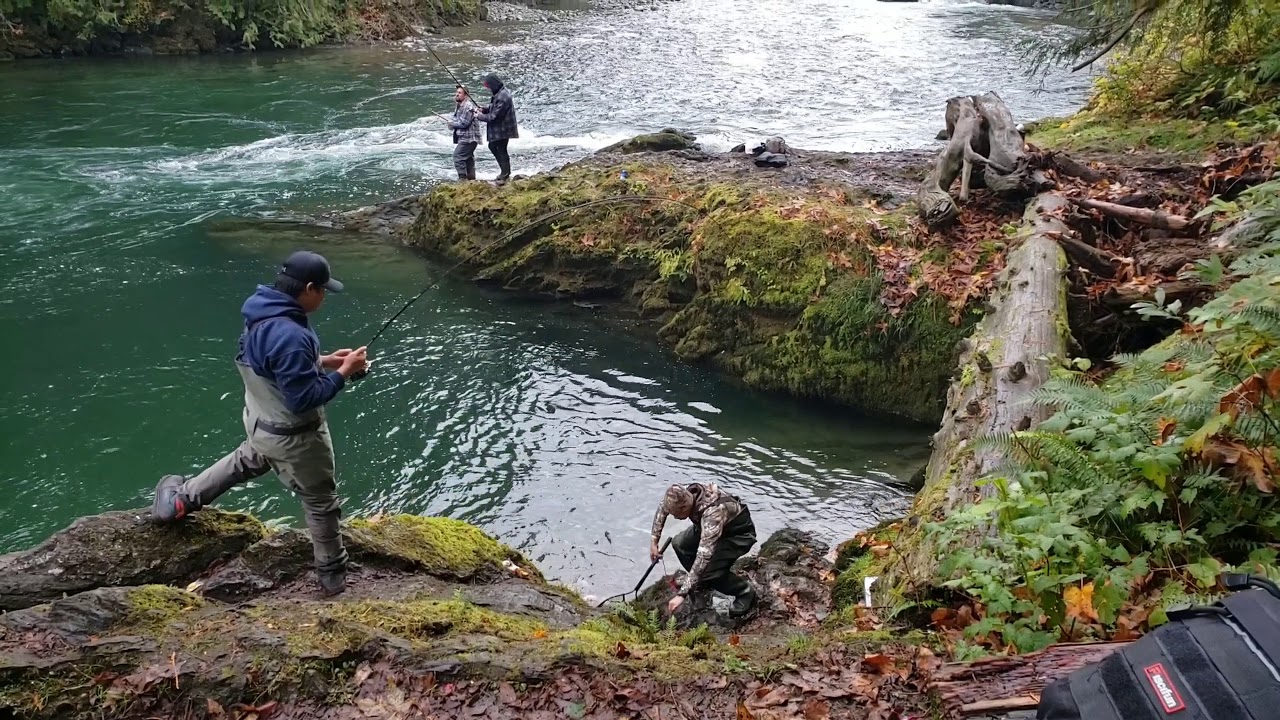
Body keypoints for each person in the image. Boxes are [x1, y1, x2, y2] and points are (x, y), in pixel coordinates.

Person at [149, 251, 369, 597]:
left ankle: (179, 501)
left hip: (262, 424)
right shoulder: (293, 336)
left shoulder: (260, 312)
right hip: (296, 441)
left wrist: (324, 361)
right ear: (308, 288)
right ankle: (333, 578)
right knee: (321, 503)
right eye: (323, 290)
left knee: (246, 460)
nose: (325, 297)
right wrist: (344, 372)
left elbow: (272, 364)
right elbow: (304, 399)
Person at [650, 482, 758, 618]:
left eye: (676, 515)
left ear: (685, 508)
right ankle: (700, 582)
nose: (675, 517)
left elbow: (703, 557)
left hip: (737, 534)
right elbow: (663, 508)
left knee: (708, 570)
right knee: (679, 544)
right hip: (709, 528)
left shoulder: (712, 513)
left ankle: (744, 592)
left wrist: (682, 594)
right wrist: (654, 541)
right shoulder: (682, 493)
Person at [473, 73, 519, 185]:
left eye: (489, 87)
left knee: (500, 149)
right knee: (495, 147)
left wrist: (478, 116)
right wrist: (484, 109)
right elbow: (494, 108)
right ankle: (504, 172)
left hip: (503, 129)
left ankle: (505, 173)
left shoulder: (503, 96)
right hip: (502, 129)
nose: (489, 89)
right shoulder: (500, 93)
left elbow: (494, 117)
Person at [447, 84, 481, 181]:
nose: (457, 94)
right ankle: (471, 180)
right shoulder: (459, 106)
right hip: (465, 138)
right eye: (457, 92)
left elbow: (464, 123)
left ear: (466, 95)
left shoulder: (468, 107)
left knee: (458, 156)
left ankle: (462, 179)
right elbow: (456, 119)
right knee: (468, 158)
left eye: (459, 93)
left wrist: (452, 124)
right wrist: (452, 123)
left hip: (470, 138)